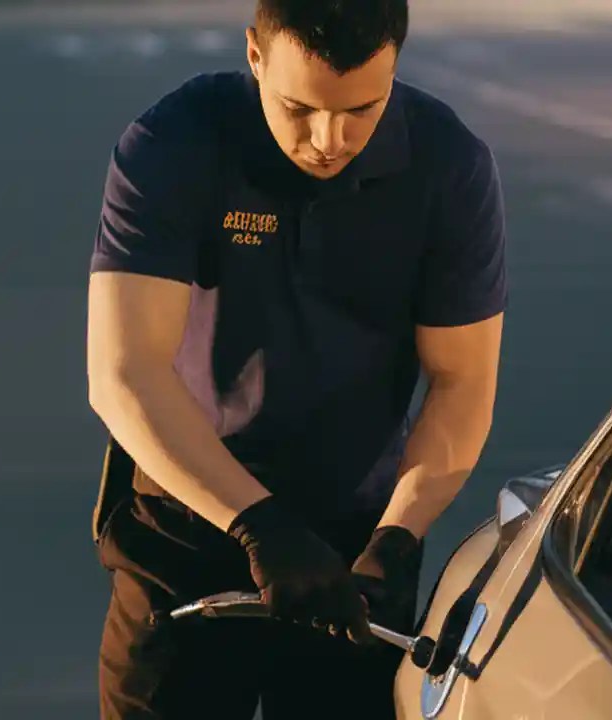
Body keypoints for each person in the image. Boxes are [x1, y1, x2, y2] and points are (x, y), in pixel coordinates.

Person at [84, 0, 507, 717]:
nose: (329, 139)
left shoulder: (448, 166)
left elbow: (461, 380)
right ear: (254, 54)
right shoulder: (174, 142)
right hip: (184, 536)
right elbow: (125, 373)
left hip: (354, 555)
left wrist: (398, 537)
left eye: (361, 110)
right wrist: (259, 524)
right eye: (298, 108)